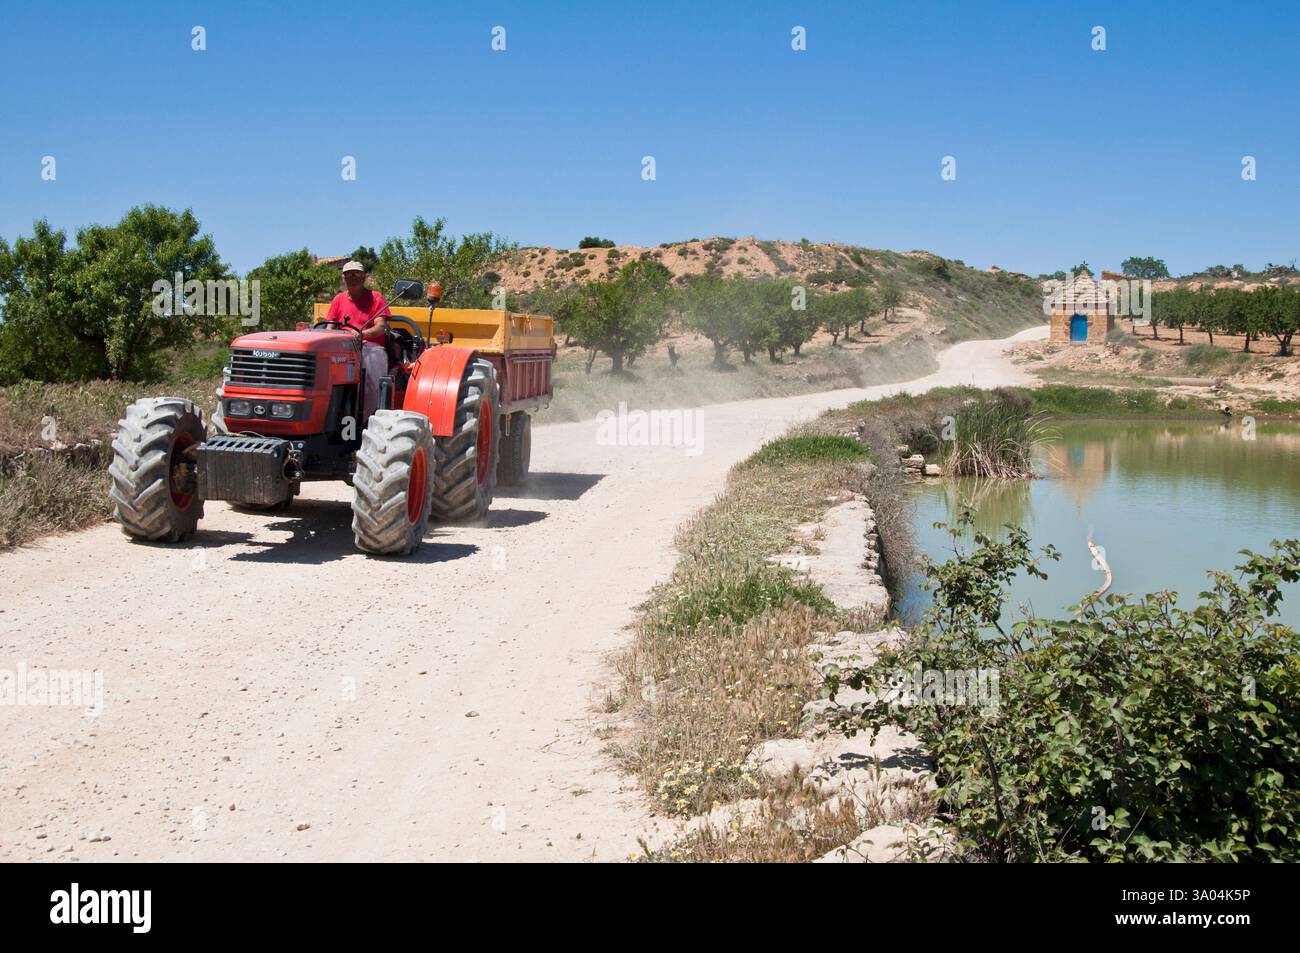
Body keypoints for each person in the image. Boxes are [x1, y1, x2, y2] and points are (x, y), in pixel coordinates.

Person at [324, 260, 390, 426]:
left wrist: (362, 334)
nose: (352, 277)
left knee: (370, 362)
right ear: (343, 278)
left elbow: (381, 327)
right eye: (348, 274)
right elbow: (329, 327)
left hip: (368, 346)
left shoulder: (376, 298)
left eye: (356, 274)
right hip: (342, 349)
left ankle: (367, 419)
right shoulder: (338, 299)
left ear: (363, 277)